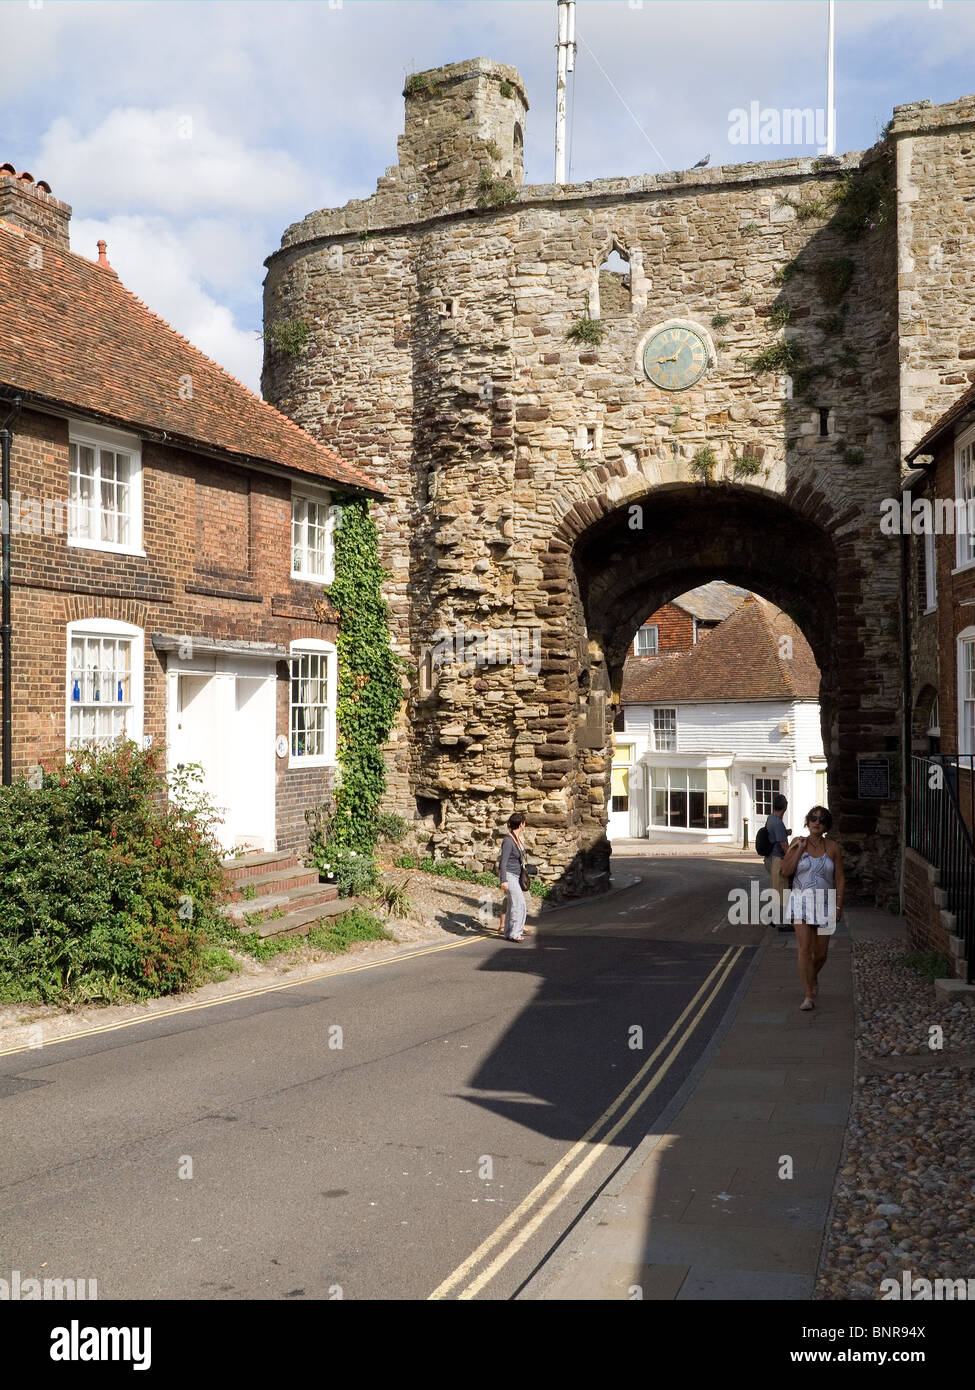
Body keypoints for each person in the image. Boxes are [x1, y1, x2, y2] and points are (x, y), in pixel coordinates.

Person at [780, 806, 845, 1011]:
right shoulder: (796, 843)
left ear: (827, 825)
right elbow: (785, 870)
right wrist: (799, 849)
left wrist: (838, 906)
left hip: (825, 903)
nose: (817, 822)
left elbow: (840, 878)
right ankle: (808, 994)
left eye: (822, 820)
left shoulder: (833, 847)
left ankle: (812, 976)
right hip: (801, 902)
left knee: (821, 954)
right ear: (807, 822)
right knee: (804, 950)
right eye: (813, 818)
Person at [763, 793, 792, 932]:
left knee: (776, 890)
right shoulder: (778, 822)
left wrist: (785, 832)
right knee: (782, 890)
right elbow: (784, 846)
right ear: (785, 807)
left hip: (770, 859)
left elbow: (773, 835)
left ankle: (774, 918)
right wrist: (795, 858)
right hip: (778, 860)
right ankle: (783, 923)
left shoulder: (771, 818)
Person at [498, 812, 528, 943]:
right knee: (519, 904)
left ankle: (509, 932)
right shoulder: (508, 841)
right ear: (521, 824)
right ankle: (516, 933)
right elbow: (503, 861)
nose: (525, 825)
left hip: (516, 875)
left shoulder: (516, 839)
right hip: (509, 876)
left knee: (512, 905)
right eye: (524, 823)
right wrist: (503, 879)